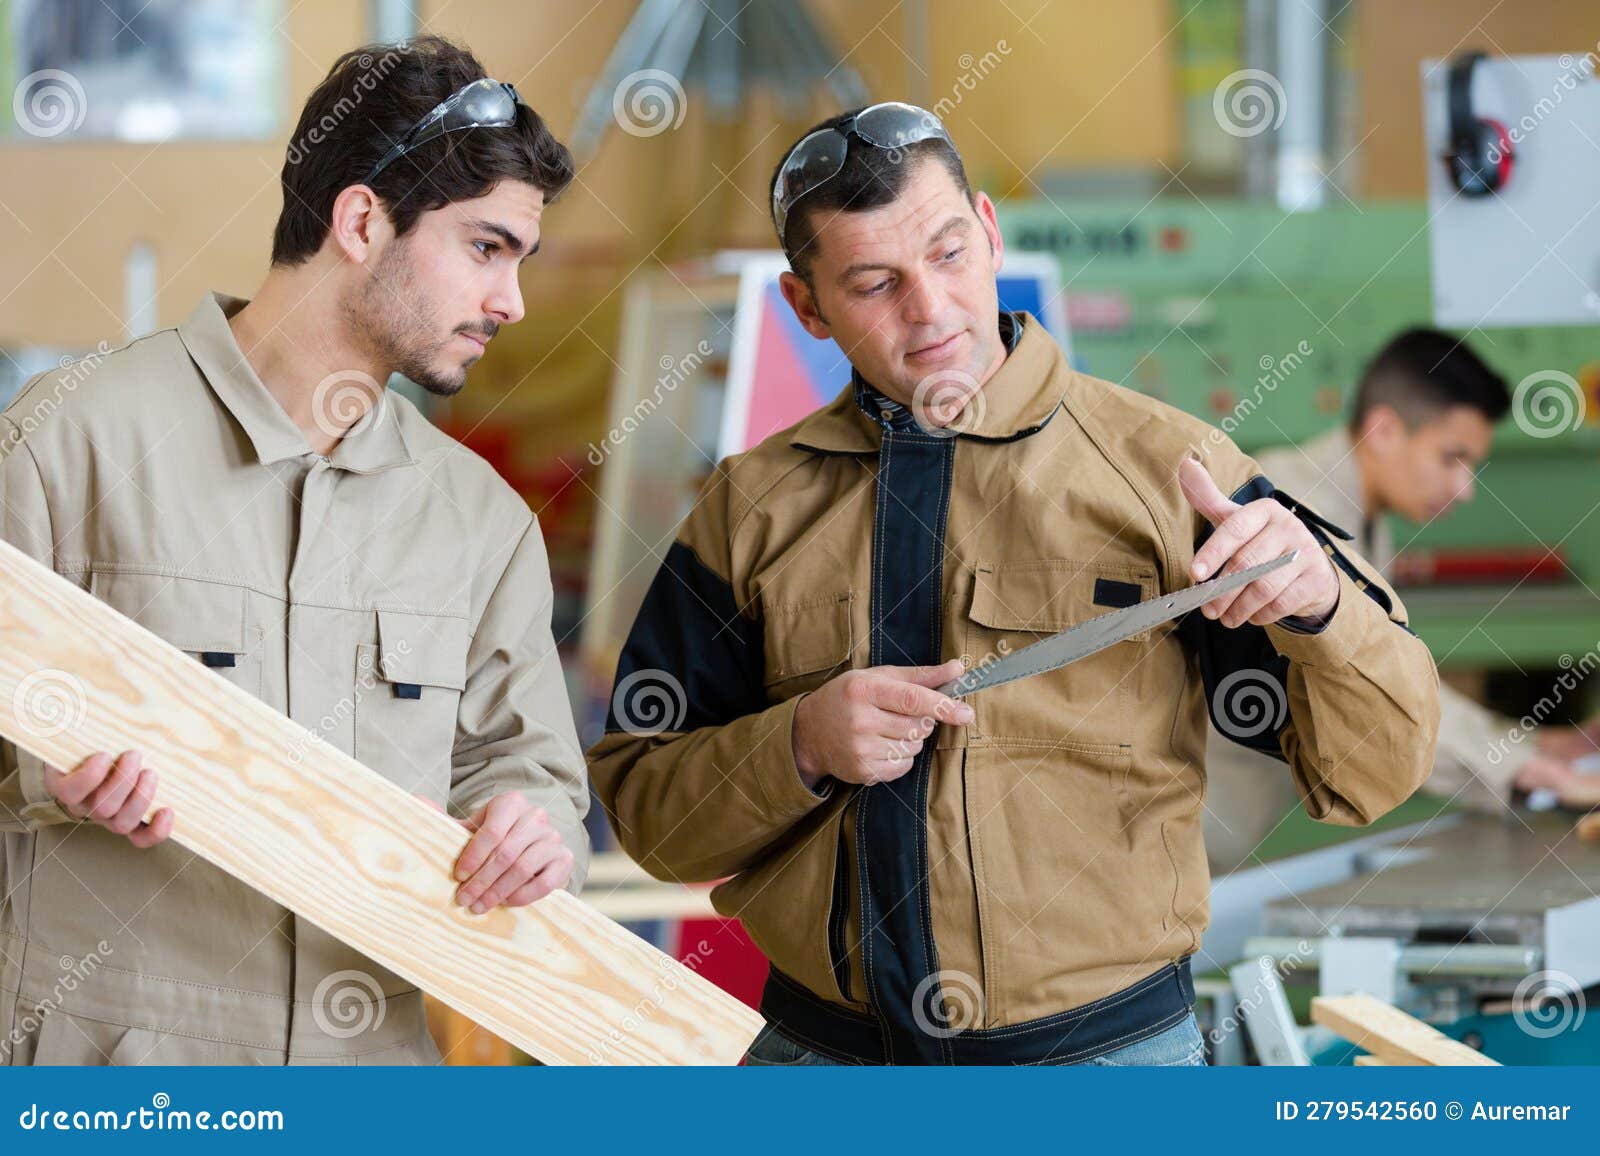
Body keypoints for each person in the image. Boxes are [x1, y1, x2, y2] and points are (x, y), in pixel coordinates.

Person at [587, 103, 1440, 1066]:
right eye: (875, 284)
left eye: (950, 254)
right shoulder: (752, 507)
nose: (930, 309)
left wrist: (1322, 606)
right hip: (823, 1062)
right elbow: (649, 817)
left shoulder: (1168, 469)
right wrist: (800, 744)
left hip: (1105, 1069)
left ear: (990, 233)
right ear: (807, 307)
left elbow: (1372, 775)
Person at [0, 36, 588, 1065]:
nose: (511, 302)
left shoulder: (479, 524)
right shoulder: (64, 445)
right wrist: (44, 773)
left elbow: (526, 767)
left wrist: (533, 825)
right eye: (485, 248)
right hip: (113, 1073)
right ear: (361, 221)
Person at [1204, 330, 1599, 871]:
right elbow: (1369, 702)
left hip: (1214, 837)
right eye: (1452, 458)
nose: (1464, 489)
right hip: (1181, 831)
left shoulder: (1360, 519)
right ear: (1385, 429)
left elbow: (1386, 669)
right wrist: (1523, 764)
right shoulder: (1292, 510)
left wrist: (1529, 745)